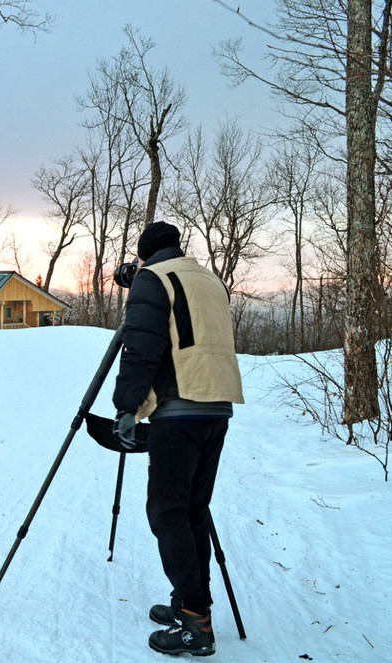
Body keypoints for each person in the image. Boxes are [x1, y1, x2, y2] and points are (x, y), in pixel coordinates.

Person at [110, 221, 244, 657]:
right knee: (192, 509)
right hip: (218, 405)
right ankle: (188, 604)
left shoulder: (153, 279)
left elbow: (142, 346)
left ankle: (195, 619)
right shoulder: (208, 278)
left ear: (145, 255)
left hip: (179, 407)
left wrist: (127, 406)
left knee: (167, 512)